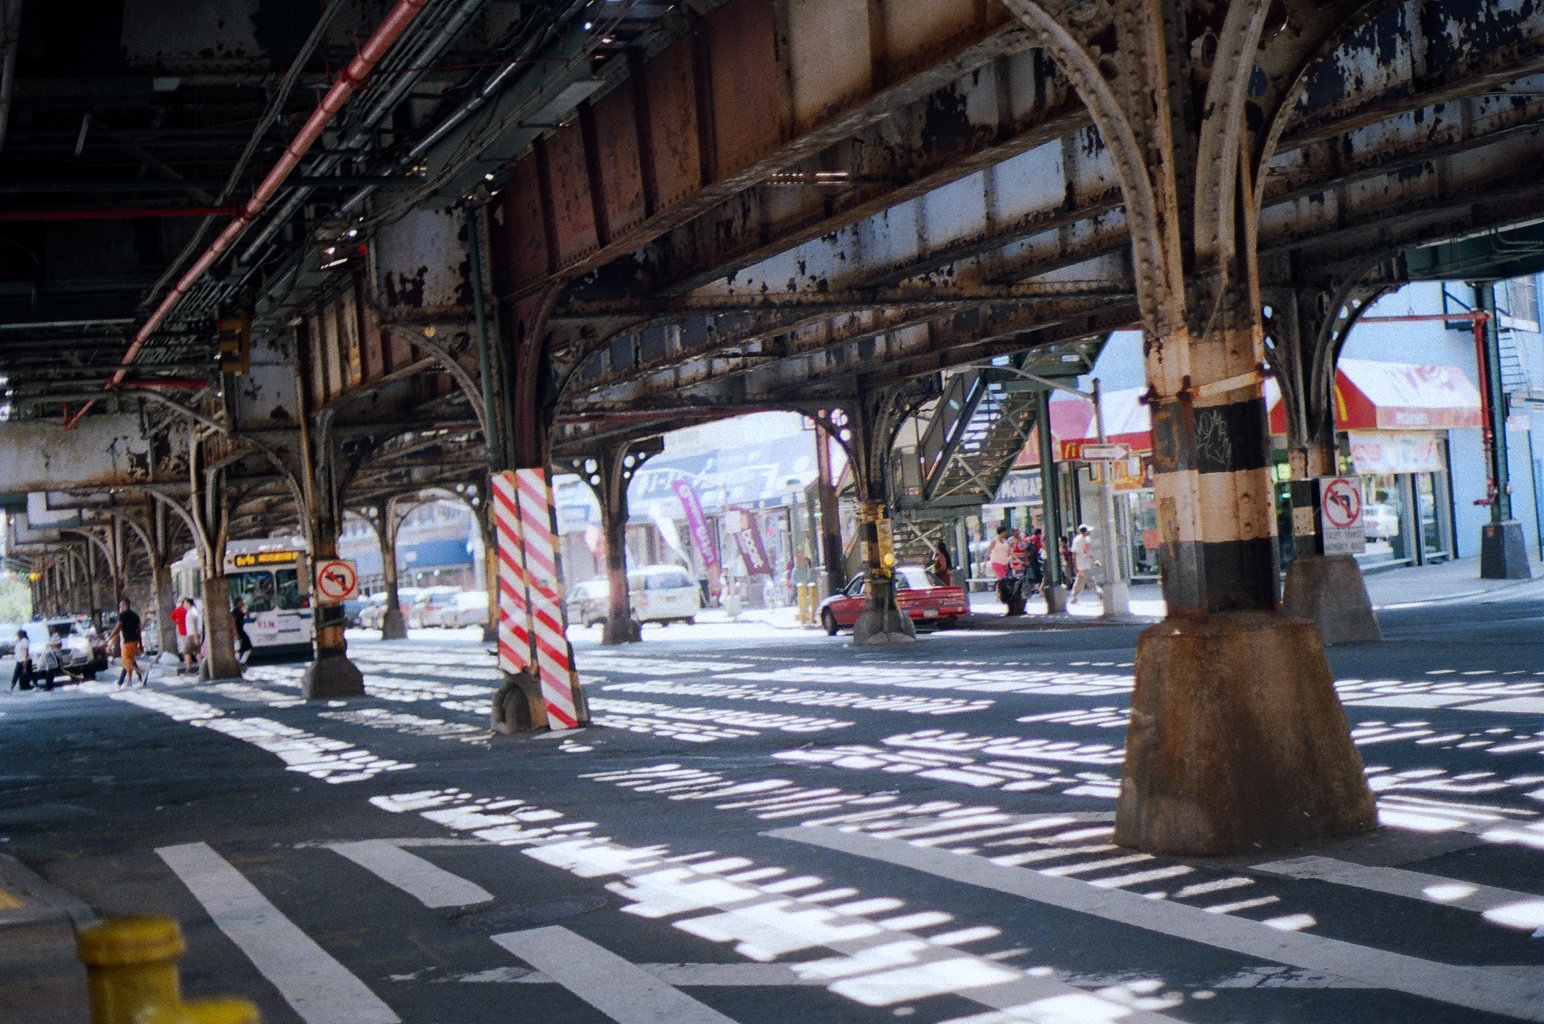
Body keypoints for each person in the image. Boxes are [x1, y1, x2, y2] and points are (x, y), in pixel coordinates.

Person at [109, 598, 147, 687]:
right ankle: (128, 681)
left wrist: (109, 637)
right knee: (131, 661)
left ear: (124, 605)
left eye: (120, 606)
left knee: (126, 662)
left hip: (127, 642)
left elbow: (117, 628)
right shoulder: (136, 616)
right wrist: (140, 645)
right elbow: (139, 631)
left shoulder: (123, 615)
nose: (119, 608)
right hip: (135, 642)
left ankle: (142, 673)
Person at [1069, 524, 1103, 604]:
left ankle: (1073, 599)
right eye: (1088, 531)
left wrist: (1094, 560)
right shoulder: (1078, 541)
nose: (1089, 532)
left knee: (1079, 582)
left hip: (1083, 564)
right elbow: (1074, 554)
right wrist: (1075, 566)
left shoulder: (1086, 539)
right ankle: (1102, 596)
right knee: (1091, 582)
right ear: (1084, 532)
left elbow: (1088, 552)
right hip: (1081, 565)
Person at [180, 598, 202, 674]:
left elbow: (194, 623)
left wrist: (195, 636)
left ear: (189, 603)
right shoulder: (193, 611)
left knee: (186, 651)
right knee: (197, 651)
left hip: (192, 634)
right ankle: (201, 667)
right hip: (194, 634)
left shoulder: (192, 612)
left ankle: (188, 669)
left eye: (185, 603)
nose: (184, 605)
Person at [170, 598, 191, 673]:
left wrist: (177, 623)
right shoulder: (189, 610)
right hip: (190, 631)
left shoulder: (178, 610)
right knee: (195, 650)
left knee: (185, 650)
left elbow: (172, 617)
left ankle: (188, 666)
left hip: (182, 632)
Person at [232, 598, 253, 664]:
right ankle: (238, 662)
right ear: (238, 602)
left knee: (247, 647)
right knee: (239, 648)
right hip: (238, 631)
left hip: (241, 630)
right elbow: (233, 623)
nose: (242, 603)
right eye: (241, 601)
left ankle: (241, 662)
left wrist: (245, 611)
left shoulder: (240, 610)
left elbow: (248, 615)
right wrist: (235, 633)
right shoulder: (235, 611)